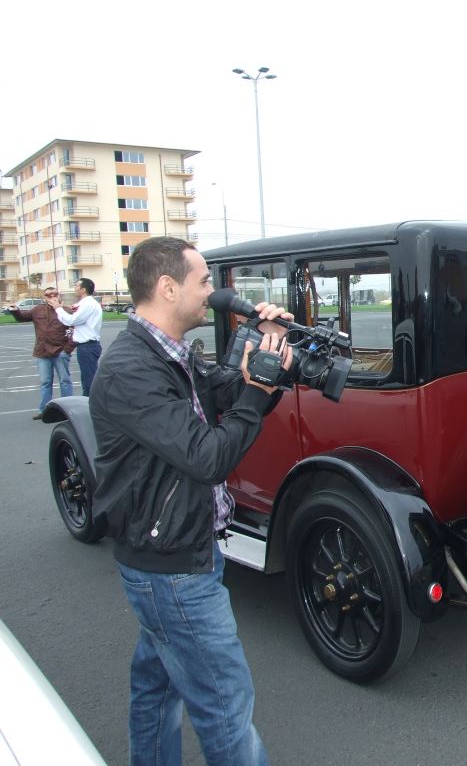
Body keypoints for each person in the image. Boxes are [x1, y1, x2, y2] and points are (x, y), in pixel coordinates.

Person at [90, 236, 294, 764]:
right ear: (167, 287)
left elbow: (228, 389)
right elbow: (207, 458)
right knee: (225, 709)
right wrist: (258, 394)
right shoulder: (131, 370)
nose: (213, 291)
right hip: (173, 569)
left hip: (173, 558)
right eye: (204, 281)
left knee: (156, 690)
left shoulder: (169, 354)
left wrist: (265, 348)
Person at [30, 287, 76, 419]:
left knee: (65, 381)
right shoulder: (37, 309)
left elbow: (75, 331)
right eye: (48, 295)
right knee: (45, 382)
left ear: (58, 295)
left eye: (54, 294)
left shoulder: (66, 311)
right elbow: (23, 316)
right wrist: (14, 311)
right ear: (44, 297)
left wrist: (67, 350)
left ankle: (68, 410)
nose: (51, 296)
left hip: (60, 352)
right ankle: (44, 410)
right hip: (43, 352)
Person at [55, 277, 103, 395]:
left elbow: (73, 320)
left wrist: (58, 309)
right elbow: (75, 310)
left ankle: (90, 408)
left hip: (88, 346)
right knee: (88, 379)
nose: (75, 288)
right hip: (87, 347)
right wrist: (63, 307)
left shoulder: (88, 304)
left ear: (83, 290)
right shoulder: (86, 303)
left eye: (77, 286)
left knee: (89, 382)